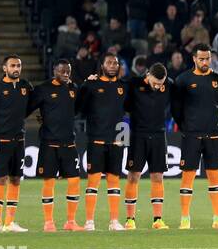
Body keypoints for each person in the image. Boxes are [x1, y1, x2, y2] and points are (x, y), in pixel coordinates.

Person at [172, 43, 218, 229]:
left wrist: (213, 122)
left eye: (207, 58)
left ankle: (217, 218)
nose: (205, 61)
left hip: (213, 134)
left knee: (215, 176)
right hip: (191, 134)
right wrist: (187, 126)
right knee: (188, 176)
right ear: (194, 59)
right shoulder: (183, 80)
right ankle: (185, 218)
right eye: (201, 58)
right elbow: (176, 110)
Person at [77, 52, 129, 231]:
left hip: (118, 139)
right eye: (109, 62)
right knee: (93, 181)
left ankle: (114, 221)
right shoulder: (92, 85)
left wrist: (125, 138)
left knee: (115, 180)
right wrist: (84, 84)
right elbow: (79, 108)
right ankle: (89, 221)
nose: (113, 65)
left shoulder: (124, 86)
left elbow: (128, 110)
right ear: (102, 66)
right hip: (96, 139)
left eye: (116, 62)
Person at [0, 55, 33, 233]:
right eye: (12, 65)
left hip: (19, 141)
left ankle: (10, 222)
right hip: (0, 142)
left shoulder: (25, 86)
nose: (16, 68)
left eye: (18, 65)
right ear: (5, 68)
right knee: (0, 179)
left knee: (16, 179)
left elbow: (33, 104)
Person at [31, 59, 82, 232]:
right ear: (54, 71)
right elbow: (27, 108)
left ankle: (71, 222)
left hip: (69, 143)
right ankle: (48, 222)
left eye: (68, 71)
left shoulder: (73, 88)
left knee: (75, 180)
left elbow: (74, 110)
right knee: (49, 181)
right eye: (62, 71)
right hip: (49, 144)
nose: (66, 74)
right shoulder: (43, 89)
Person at [124, 62, 173, 230]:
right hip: (138, 136)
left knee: (158, 177)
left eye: (161, 84)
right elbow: (120, 103)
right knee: (133, 176)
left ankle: (157, 219)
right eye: (155, 83)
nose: (159, 86)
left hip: (159, 136)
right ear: (148, 75)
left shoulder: (169, 85)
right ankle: (130, 219)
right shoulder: (134, 84)